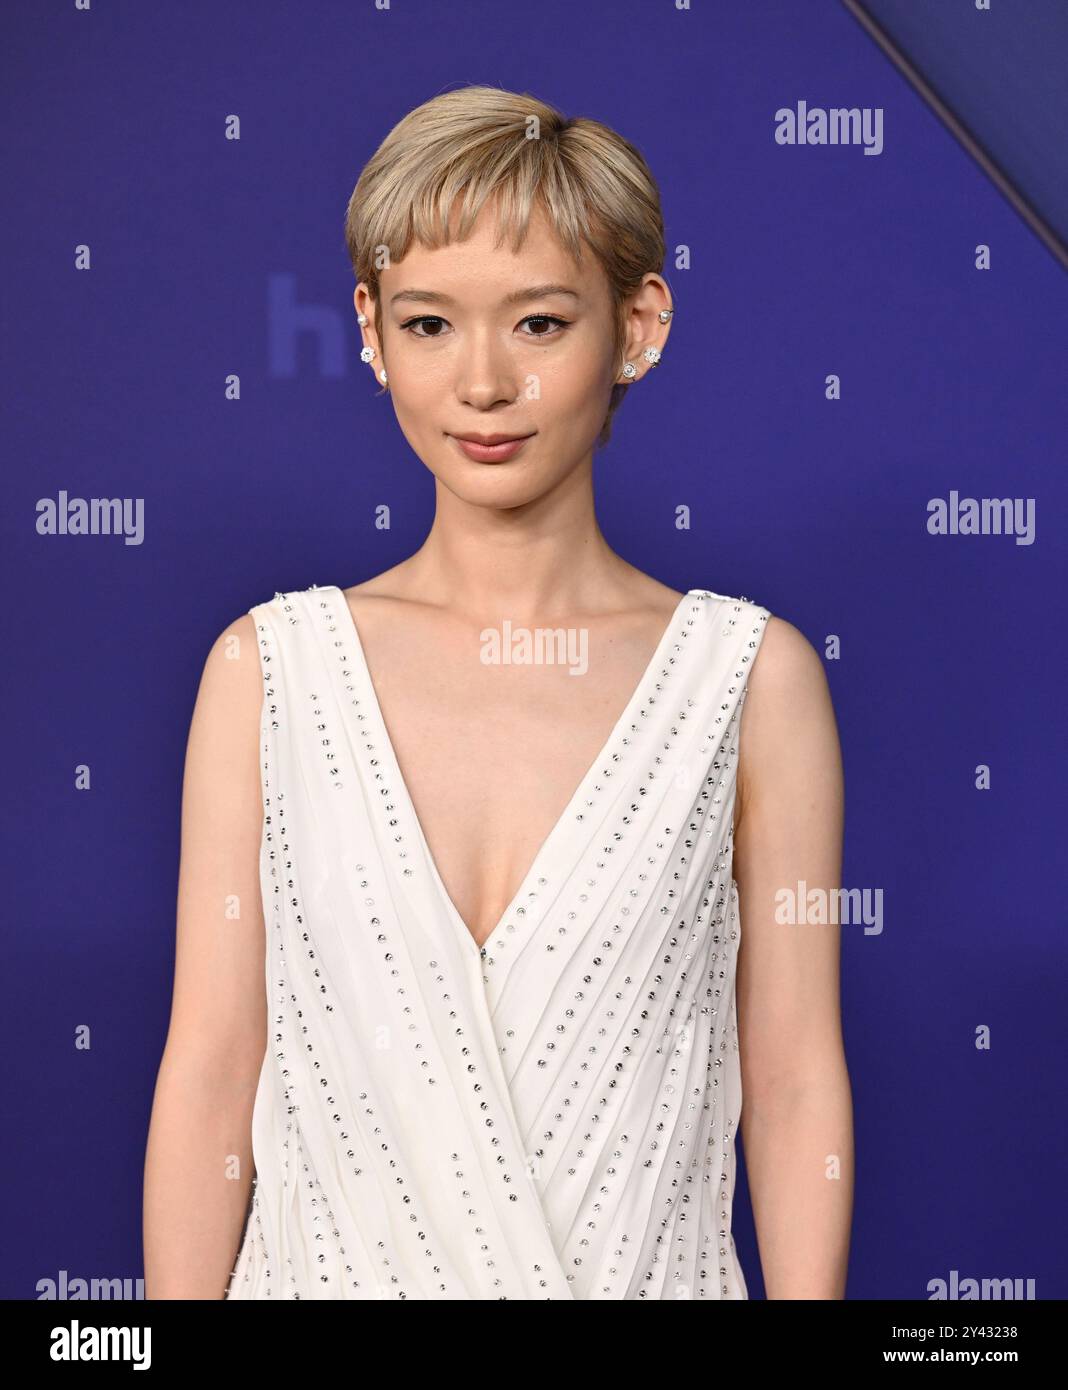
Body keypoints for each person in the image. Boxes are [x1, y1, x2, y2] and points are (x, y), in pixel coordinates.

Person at [143, 84, 851, 1300]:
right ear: (366, 329)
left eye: (537, 324)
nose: (481, 383)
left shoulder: (751, 679)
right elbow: (211, 1062)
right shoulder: (266, 672)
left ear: (640, 326)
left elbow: (790, 1079)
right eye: (427, 324)